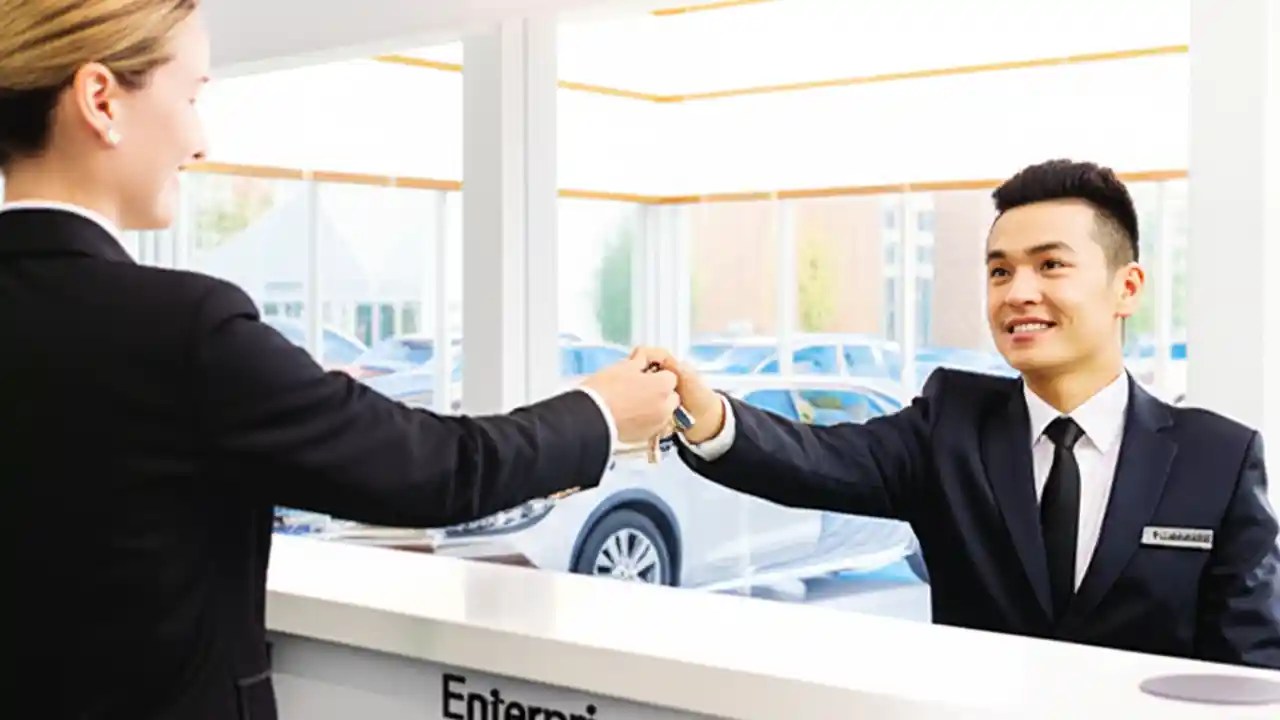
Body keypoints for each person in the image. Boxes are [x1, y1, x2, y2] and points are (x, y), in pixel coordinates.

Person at [1, 2, 679, 718]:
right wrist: (604, 412)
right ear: (101, 101)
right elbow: (436, 471)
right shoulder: (185, 331)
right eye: (192, 96)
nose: (200, 142)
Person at [647, 159, 1280, 669]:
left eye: (1050, 265)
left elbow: (1251, 667)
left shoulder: (1218, 459)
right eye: (1000, 271)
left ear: (1127, 287)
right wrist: (703, 414)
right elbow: (814, 460)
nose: (1017, 292)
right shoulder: (949, 425)